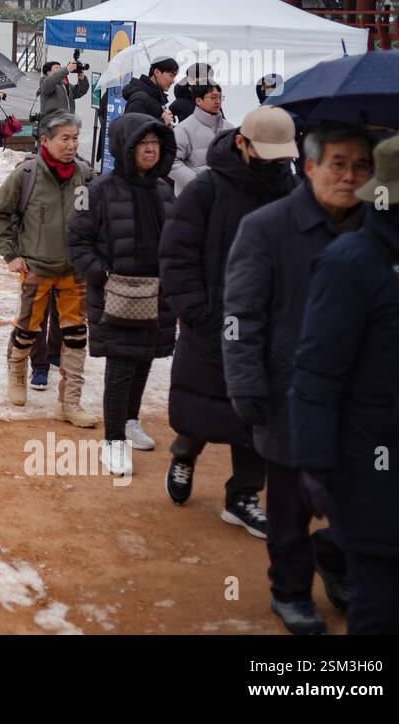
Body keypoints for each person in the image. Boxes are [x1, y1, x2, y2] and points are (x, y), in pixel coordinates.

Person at [223, 123, 373, 635]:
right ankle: (289, 591)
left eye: (360, 166)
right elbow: (240, 313)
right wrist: (245, 384)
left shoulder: (378, 228)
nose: (349, 176)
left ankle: (334, 557)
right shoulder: (268, 227)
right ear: (308, 167)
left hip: (361, 394)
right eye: (337, 163)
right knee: (288, 508)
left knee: (367, 495)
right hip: (287, 390)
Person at [290, 130, 399, 635]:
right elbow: (316, 371)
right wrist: (313, 462)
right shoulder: (353, 262)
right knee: (378, 601)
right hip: (370, 464)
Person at [159, 107, 298, 538]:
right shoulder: (206, 189)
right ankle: (184, 453)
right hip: (211, 319)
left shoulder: (288, 189)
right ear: (242, 143)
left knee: (257, 409)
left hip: (265, 323)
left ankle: (243, 496)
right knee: (202, 402)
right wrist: (195, 310)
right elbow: (177, 254)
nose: (275, 162)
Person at [69, 114, 177, 476]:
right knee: (120, 366)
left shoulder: (164, 189)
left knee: (144, 358)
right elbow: (77, 240)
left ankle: (131, 421)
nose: (150, 149)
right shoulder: (98, 190)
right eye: (142, 143)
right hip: (116, 293)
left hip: (156, 294)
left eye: (155, 143)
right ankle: (113, 441)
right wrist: (103, 274)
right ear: (125, 148)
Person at [0, 112, 96, 427]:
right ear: (45, 141)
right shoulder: (26, 175)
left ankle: (69, 402)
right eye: (64, 138)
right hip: (36, 268)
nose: (71, 144)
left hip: (74, 273)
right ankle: (17, 370)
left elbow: (97, 221)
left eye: (75, 138)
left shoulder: (85, 176)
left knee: (76, 337)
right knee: (27, 329)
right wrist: (10, 254)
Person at [169, 77, 231, 194]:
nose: (218, 101)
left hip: (223, 195)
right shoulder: (184, 129)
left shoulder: (228, 128)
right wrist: (197, 182)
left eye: (219, 97)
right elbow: (171, 162)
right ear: (198, 101)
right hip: (192, 196)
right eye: (213, 97)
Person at [122, 57, 178, 126]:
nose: (173, 81)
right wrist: (162, 121)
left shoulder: (156, 97)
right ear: (157, 72)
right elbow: (132, 128)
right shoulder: (140, 98)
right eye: (171, 76)